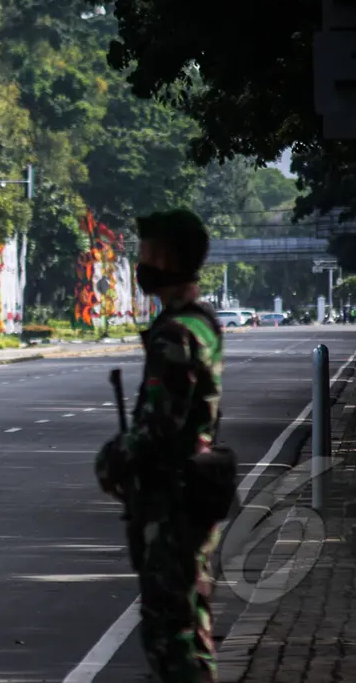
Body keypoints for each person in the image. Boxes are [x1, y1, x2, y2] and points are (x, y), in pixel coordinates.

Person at [95, 210, 227, 683]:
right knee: (192, 624)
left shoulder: (175, 333)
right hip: (192, 492)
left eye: (146, 252)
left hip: (172, 500)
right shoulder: (201, 322)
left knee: (170, 633)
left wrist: (113, 459)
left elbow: (161, 428)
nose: (141, 263)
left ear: (167, 257)